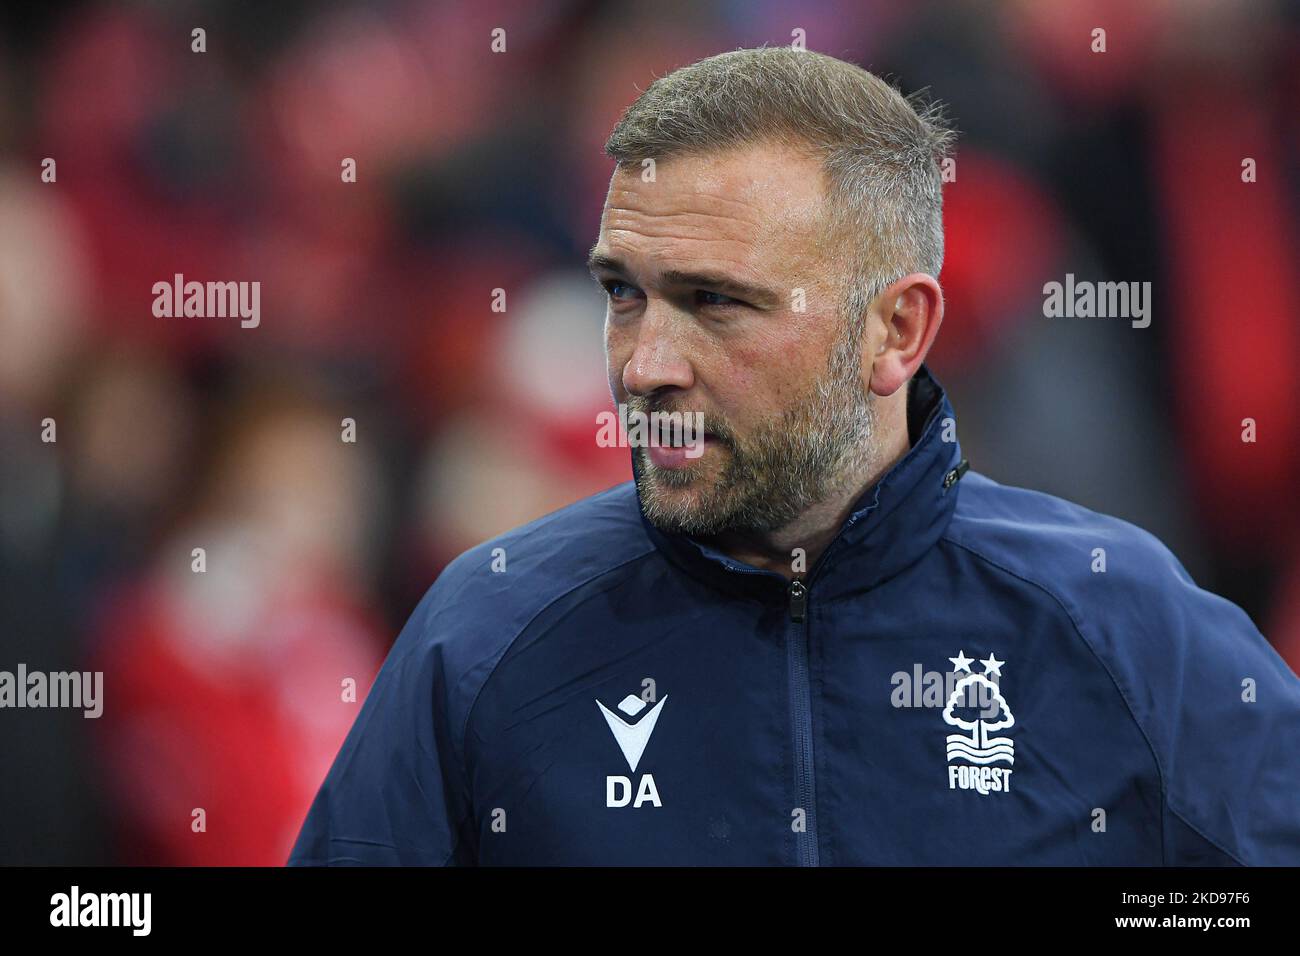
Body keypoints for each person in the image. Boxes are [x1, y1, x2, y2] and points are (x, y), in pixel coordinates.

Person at [288, 48, 1300, 866]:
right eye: (622, 293)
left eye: (715, 301)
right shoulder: (483, 638)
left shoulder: (1121, 626)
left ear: (894, 331)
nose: (644, 365)